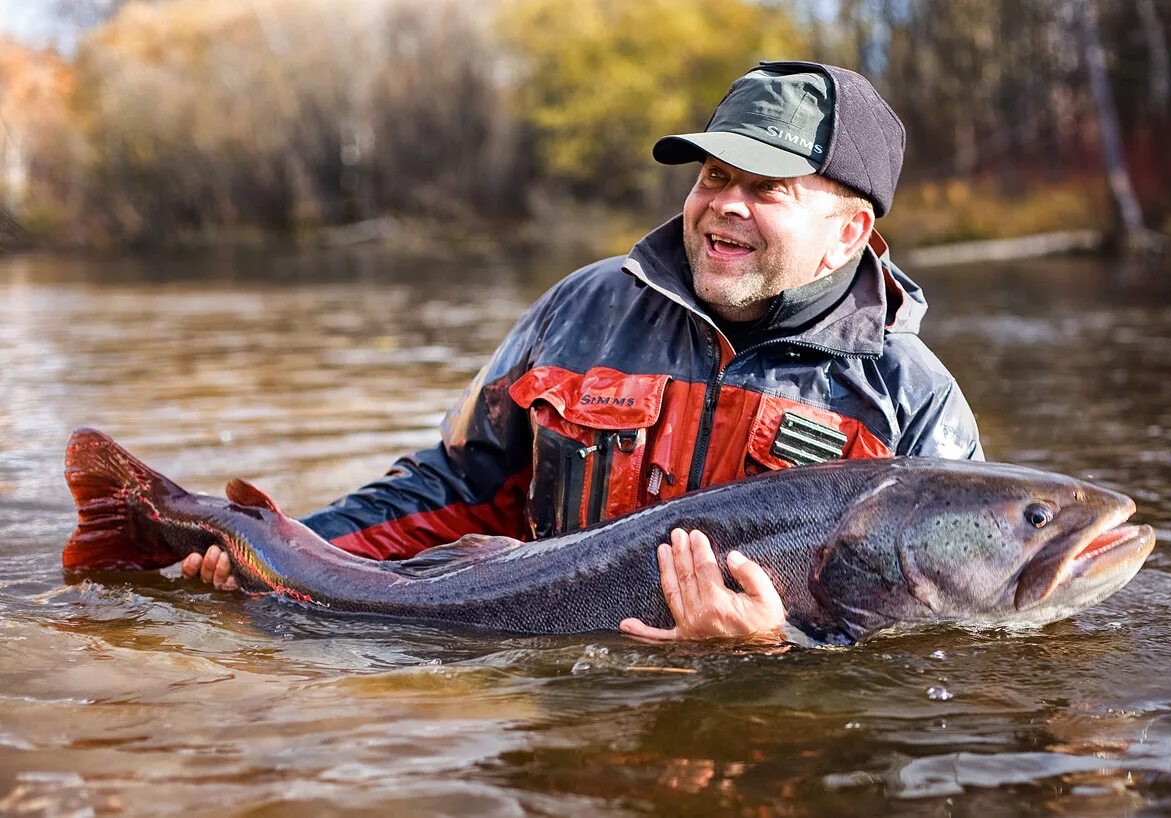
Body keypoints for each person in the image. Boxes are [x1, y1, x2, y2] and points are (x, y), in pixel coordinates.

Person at [182, 60, 983, 642]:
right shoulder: (582, 308)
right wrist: (284, 550)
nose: (723, 206)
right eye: (712, 175)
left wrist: (780, 654)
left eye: (766, 188)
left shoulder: (914, 403)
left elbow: (947, 651)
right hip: (537, 674)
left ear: (849, 232)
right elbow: (458, 484)